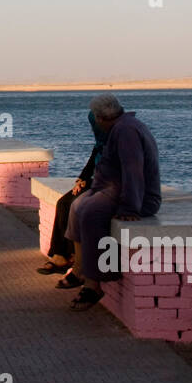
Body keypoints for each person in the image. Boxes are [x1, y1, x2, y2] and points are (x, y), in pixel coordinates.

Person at [65, 93, 162, 311]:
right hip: (110, 189)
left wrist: (129, 207)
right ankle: (80, 269)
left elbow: (133, 170)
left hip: (138, 197)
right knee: (76, 206)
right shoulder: (120, 127)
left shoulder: (126, 131)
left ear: (100, 118)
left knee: (91, 213)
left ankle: (96, 282)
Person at [37, 110, 107, 280]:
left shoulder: (116, 140)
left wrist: (88, 183)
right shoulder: (101, 140)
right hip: (94, 182)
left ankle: (73, 257)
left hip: (107, 186)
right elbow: (93, 160)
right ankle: (59, 254)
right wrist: (82, 179)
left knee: (75, 205)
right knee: (63, 203)